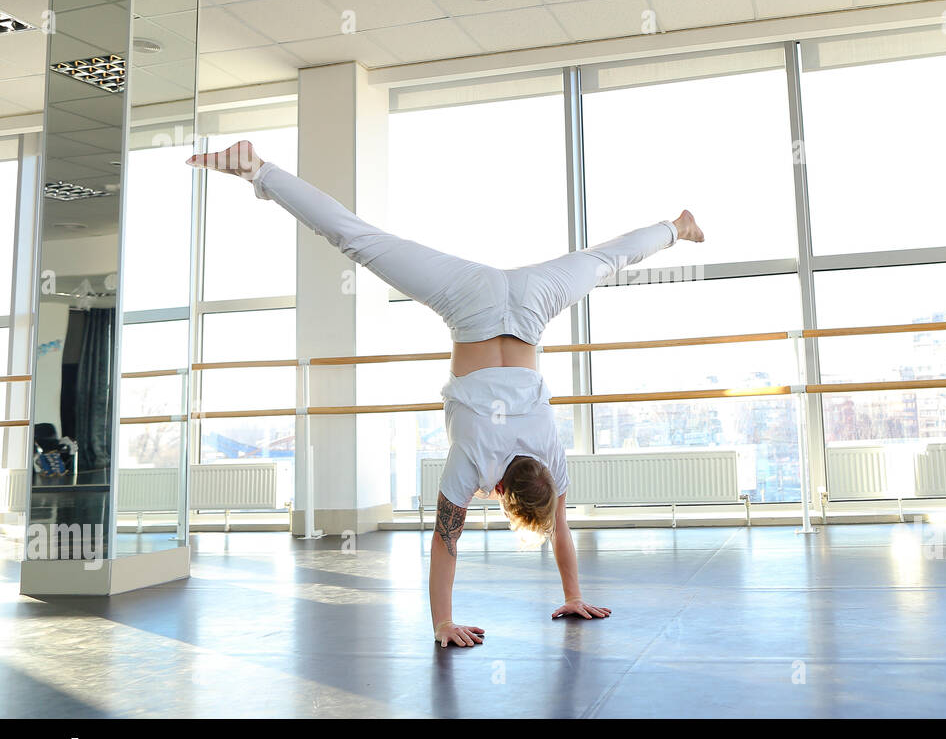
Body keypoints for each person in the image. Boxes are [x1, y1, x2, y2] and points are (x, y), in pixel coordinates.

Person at [185, 142, 704, 647]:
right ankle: (257, 171)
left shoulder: (550, 457)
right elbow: (446, 543)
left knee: (603, 260)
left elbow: (559, 524)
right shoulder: (472, 462)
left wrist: (575, 593)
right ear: (501, 495)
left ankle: (676, 226)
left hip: (531, 301)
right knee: (360, 242)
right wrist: (443, 623)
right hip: (471, 304)